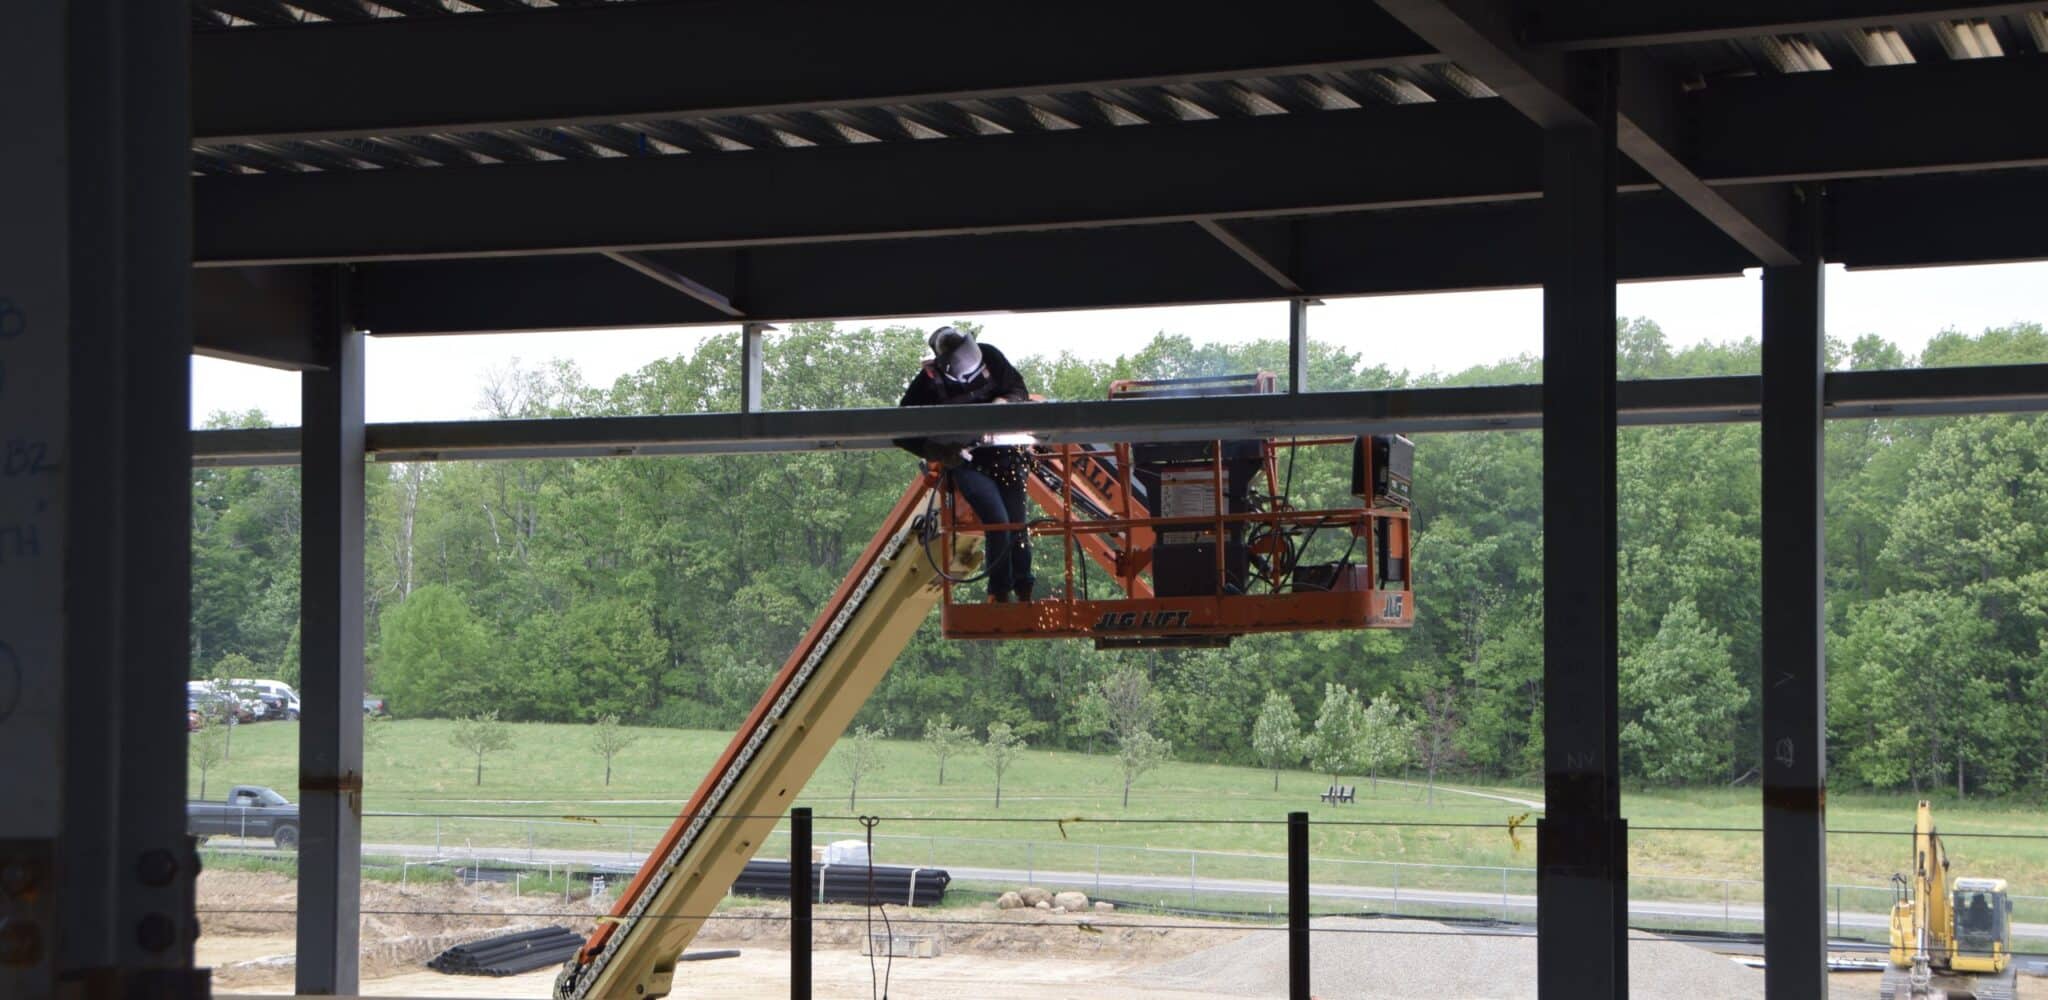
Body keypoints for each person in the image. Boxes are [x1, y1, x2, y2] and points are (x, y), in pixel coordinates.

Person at [893, 326, 1036, 603]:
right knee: (999, 522)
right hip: (967, 462)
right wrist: (934, 450)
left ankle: (1024, 586)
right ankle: (1000, 591)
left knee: (1017, 525)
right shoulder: (928, 382)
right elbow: (901, 431)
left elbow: (1019, 389)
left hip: (1006, 455)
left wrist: (1004, 401)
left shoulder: (991, 357)